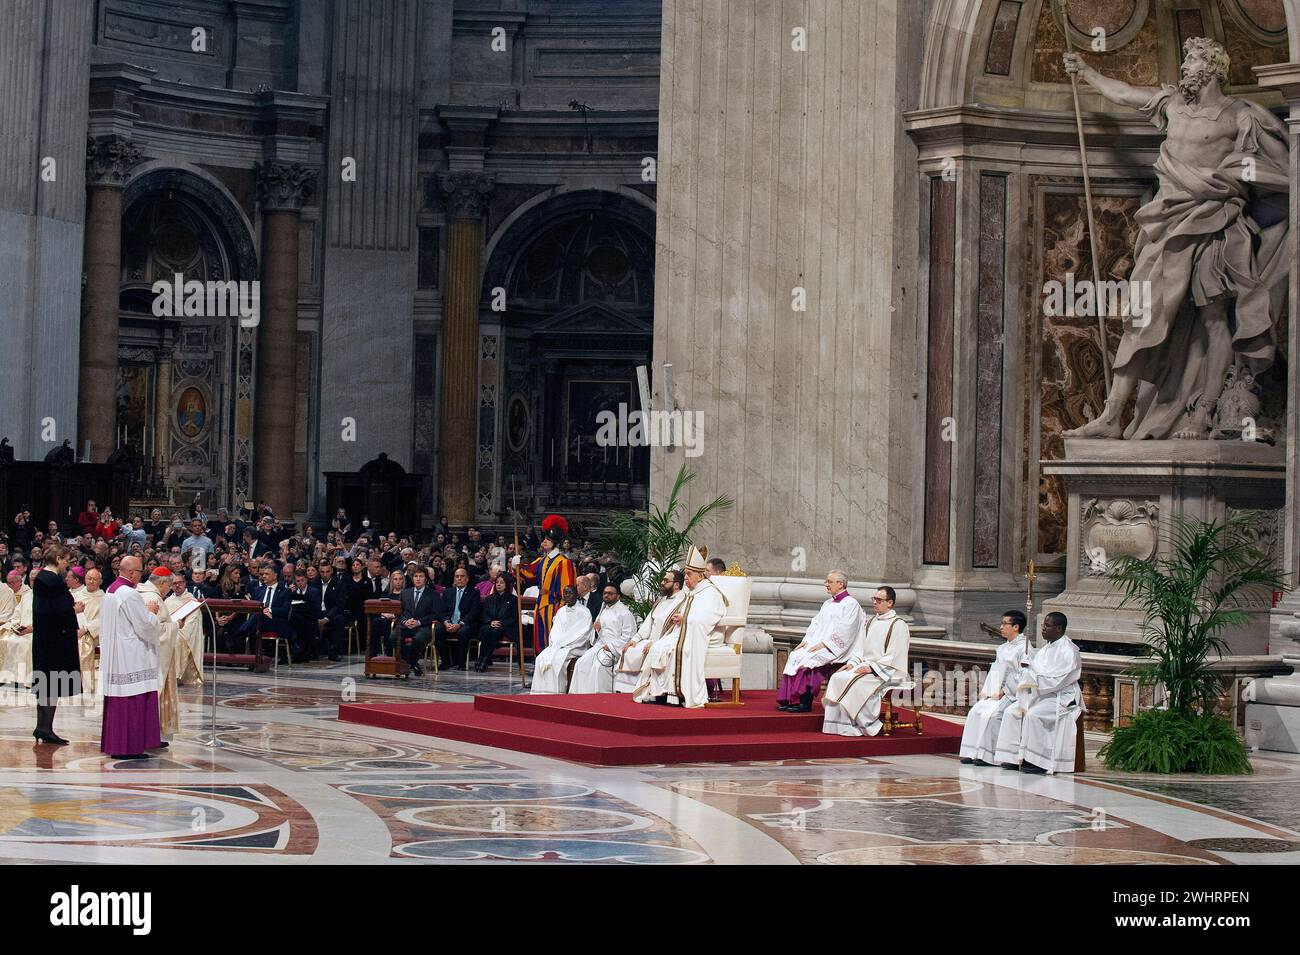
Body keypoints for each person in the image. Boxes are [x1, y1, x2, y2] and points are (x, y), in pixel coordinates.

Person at [1061, 39, 1289, 440]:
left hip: (1214, 223)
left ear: (1214, 68)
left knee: (1215, 319)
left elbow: (1280, 171)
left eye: (1194, 60)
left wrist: (1233, 176)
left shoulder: (1238, 117)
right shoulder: (1171, 104)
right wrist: (1086, 72)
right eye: (1185, 60)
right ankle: (1113, 414)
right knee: (1142, 314)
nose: (1185, 68)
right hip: (1167, 224)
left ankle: (1203, 413)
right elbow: (1126, 94)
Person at [633, 545, 728, 708]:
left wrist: (685, 618)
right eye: (685, 574)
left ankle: (678, 693)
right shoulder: (692, 591)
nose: (686, 578)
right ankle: (659, 693)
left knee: (675, 649)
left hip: (703, 633)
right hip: (684, 630)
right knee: (658, 647)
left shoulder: (709, 592)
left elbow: (709, 616)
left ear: (700, 575)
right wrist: (681, 617)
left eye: (689, 575)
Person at [994, 612, 1083, 774]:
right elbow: (1035, 672)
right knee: (1012, 711)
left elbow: (1059, 680)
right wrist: (1027, 668)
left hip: (1060, 698)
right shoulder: (1045, 649)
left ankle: (1038, 761)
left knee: (1032, 715)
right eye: (1043, 625)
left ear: (1058, 628)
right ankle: (1014, 758)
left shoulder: (1069, 651)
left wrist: (1033, 677)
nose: (1042, 629)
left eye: (1047, 626)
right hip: (1041, 695)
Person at [821, 586, 911, 736]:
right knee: (838, 677)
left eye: (879, 600)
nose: (875, 602)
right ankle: (837, 725)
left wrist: (872, 668)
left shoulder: (898, 625)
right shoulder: (870, 622)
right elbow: (860, 649)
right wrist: (851, 664)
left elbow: (895, 655)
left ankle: (865, 724)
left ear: (890, 603)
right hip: (866, 666)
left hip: (886, 671)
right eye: (874, 599)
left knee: (855, 682)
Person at [100, 556, 165, 759]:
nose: (140, 576)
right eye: (139, 572)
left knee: (120, 700)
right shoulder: (129, 594)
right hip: (131, 656)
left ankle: (119, 744)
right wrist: (152, 613)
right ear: (129, 572)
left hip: (116, 654)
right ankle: (128, 747)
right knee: (132, 700)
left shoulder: (111, 590)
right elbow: (144, 626)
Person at [777, 570, 864, 712]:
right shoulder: (828, 603)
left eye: (829, 582)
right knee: (796, 655)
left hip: (836, 647)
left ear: (840, 584)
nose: (826, 584)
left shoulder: (851, 604)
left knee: (809, 661)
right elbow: (816, 623)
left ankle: (804, 703)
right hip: (817, 643)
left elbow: (846, 630)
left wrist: (826, 644)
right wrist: (806, 640)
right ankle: (791, 700)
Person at [960, 610, 1029, 766]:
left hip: (1014, 694)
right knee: (975, 711)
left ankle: (988, 755)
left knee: (991, 715)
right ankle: (973, 752)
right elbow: (996, 671)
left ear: (1016, 627)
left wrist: (1004, 691)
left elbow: (1023, 674)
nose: (1001, 627)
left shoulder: (1024, 648)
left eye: (1005, 624)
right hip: (997, 691)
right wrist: (988, 690)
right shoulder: (1003, 648)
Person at [31, 544, 82, 744]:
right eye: (66, 560)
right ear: (59, 558)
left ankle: (41, 727)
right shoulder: (52, 580)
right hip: (54, 640)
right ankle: (46, 729)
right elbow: (58, 610)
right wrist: (74, 610)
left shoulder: (42, 578)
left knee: (45, 684)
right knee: (52, 684)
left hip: (45, 638)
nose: (67, 565)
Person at [614, 570, 684, 694]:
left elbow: (672, 629)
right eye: (663, 580)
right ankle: (625, 691)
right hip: (649, 640)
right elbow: (648, 623)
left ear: (676, 585)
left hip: (662, 642)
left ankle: (642, 690)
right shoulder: (661, 600)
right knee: (629, 650)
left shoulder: (681, 602)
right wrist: (634, 640)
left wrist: (655, 643)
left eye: (666, 581)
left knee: (645, 652)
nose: (662, 583)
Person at [516, 514, 577, 651]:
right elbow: (530, 574)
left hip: (554, 605)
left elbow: (567, 590)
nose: (543, 542)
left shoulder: (564, 562)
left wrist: (561, 610)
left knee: (552, 637)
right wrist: (517, 566)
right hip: (541, 602)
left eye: (547, 539)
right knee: (539, 638)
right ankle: (540, 666)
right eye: (544, 539)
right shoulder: (542, 560)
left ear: (555, 542)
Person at [570, 583, 636, 693]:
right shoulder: (603, 609)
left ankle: (600, 697)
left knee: (599, 667)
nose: (606, 595)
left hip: (613, 649)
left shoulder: (625, 613)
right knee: (581, 663)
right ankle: (581, 697)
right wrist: (596, 629)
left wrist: (611, 646)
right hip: (599, 645)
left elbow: (629, 635)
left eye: (610, 593)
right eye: (605, 593)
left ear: (618, 596)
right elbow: (597, 633)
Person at [140, 566, 180, 738]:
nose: (168, 591)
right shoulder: (152, 597)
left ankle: (152, 733)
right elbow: (153, 629)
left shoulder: (140, 592)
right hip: (153, 655)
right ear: (162, 582)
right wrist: (175, 626)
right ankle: (152, 733)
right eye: (168, 586)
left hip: (143, 654)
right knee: (155, 691)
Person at [530, 585, 592, 694]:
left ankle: (556, 692)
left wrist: (564, 643)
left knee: (557, 660)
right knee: (540, 658)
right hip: (558, 645)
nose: (567, 596)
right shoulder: (561, 611)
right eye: (565, 593)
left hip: (575, 646)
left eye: (570, 593)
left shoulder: (584, 612)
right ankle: (540, 693)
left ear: (576, 595)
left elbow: (583, 633)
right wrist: (556, 642)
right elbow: (555, 630)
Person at [435, 567, 481, 669]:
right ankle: (446, 661)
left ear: (467, 579)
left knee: (463, 632)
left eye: (462, 576)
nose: (459, 579)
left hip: (466, 624)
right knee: (437, 631)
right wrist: (446, 622)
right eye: (457, 576)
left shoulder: (474, 592)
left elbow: (474, 612)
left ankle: (461, 663)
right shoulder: (448, 592)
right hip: (449, 623)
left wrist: (460, 624)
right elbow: (442, 611)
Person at [396, 566, 439, 674]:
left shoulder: (433, 594)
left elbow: (435, 614)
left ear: (426, 579)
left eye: (421, 576)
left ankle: (412, 662)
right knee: (393, 637)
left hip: (423, 626)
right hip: (406, 625)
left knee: (418, 638)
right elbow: (399, 612)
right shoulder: (404, 593)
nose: (418, 579)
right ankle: (411, 662)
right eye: (416, 576)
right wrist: (405, 621)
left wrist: (419, 622)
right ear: (412, 578)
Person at [166, 572, 205, 686]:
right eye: (174, 583)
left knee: (176, 640)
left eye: (180, 583)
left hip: (184, 634)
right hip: (170, 631)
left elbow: (191, 624)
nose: (177, 585)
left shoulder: (191, 601)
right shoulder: (168, 601)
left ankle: (178, 675)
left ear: (184, 583)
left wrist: (176, 630)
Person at [474, 573, 517, 671]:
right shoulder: (489, 599)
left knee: (496, 630)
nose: (498, 584)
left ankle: (484, 659)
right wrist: (490, 622)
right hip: (491, 625)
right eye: (497, 582)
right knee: (487, 629)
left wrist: (501, 622)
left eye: (501, 583)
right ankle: (481, 658)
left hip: (506, 627)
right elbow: (484, 614)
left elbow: (514, 618)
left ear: (507, 585)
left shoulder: (513, 600)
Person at [0, 569, 33, 686]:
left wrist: (28, 629)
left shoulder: (26, 592)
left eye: (12, 582)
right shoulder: (27, 596)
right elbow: (16, 615)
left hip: (33, 630)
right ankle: (6, 677)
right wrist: (15, 626)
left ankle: (27, 679)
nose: (10, 585)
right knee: (5, 640)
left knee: (25, 644)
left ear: (20, 582)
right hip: (18, 628)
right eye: (9, 582)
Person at [76, 568, 105, 696]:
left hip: (93, 634)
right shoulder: (77, 595)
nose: (91, 581)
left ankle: (85, 686)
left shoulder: (104, 598)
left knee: (82, 645)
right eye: (89, 578)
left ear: (100, 581)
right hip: (76, 630)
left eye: (94, 579)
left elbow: (103, 620)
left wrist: (86, 628)